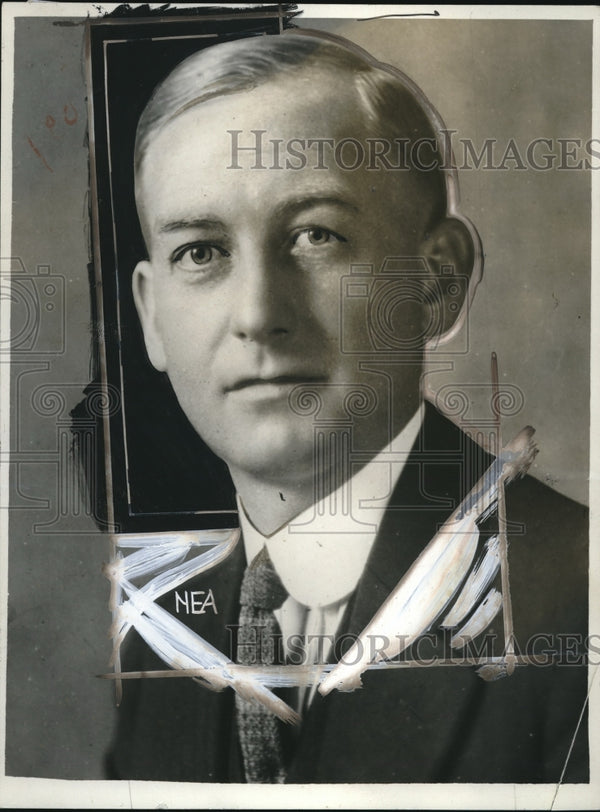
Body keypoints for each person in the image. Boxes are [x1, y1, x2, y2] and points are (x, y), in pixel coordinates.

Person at [105, 29, 588, 783]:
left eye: (316, 235)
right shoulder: (164, 640)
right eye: (201, 251)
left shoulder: (576, 602)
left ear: (436, 281)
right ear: (151, 316)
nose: (258, 313)